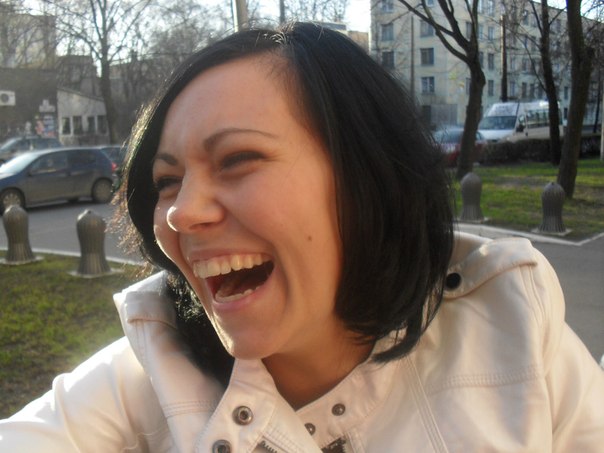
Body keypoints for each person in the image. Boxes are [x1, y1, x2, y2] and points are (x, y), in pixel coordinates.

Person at [1, 22, 602, 452]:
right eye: (167, 181)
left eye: (237, 159)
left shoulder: (512, 325)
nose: (181, 213)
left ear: (367, 176)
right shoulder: (141, 381)